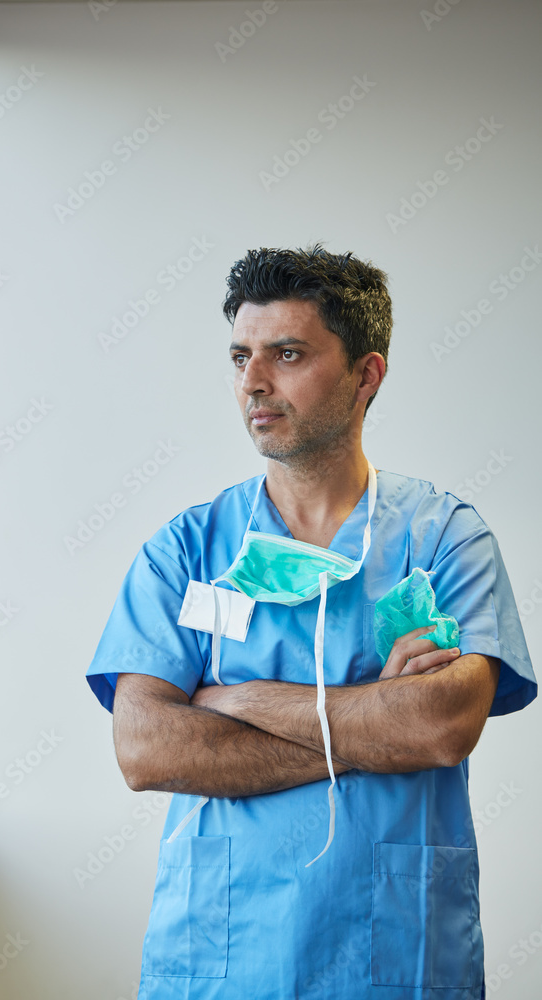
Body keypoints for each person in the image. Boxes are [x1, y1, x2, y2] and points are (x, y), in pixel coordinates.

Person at [86, 244, 536, 1000]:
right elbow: (144, 749)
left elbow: (439, 727)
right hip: (226, 954)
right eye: (241, 357)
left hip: (393, 951)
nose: (252, 382)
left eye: (287, 354)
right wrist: (376, 724)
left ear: (366, 375)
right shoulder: (186, 550)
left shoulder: (443, 539)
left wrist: (235, 699)